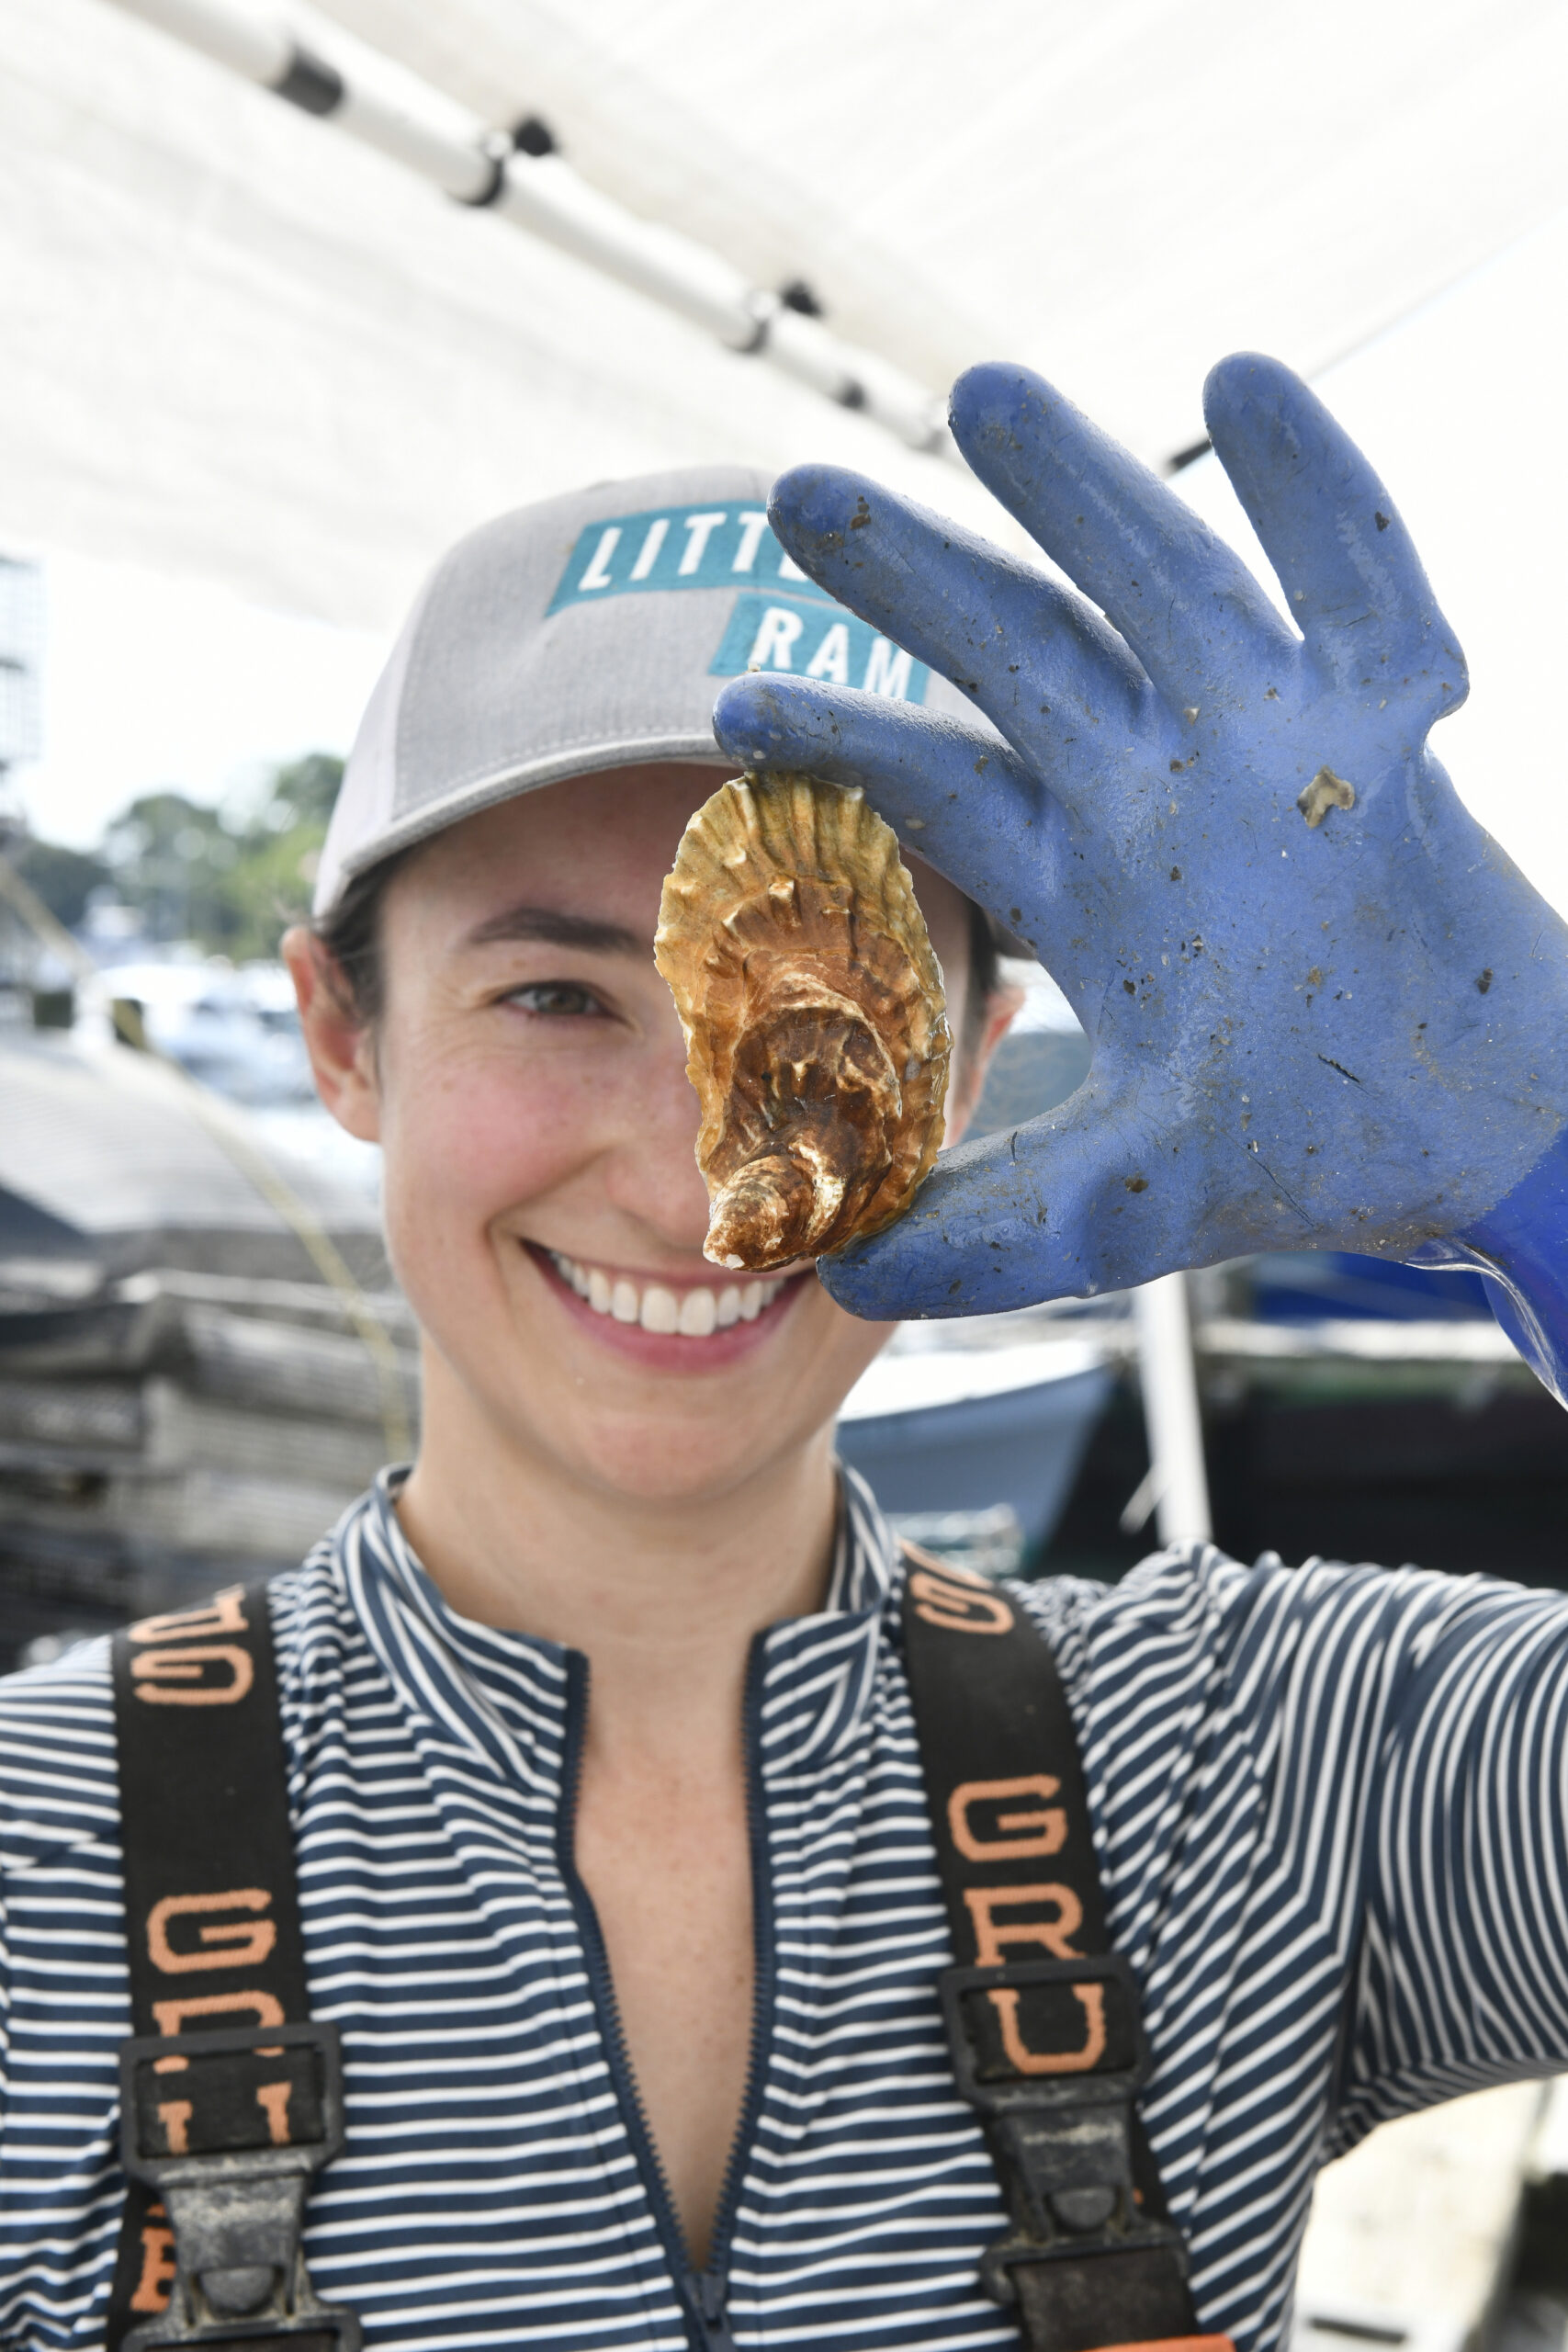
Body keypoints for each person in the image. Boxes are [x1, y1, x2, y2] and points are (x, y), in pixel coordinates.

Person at [3, 378, 1568, 2352]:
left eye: (824, 1002)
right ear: (340, 1032)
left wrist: (1540, 1165)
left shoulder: (1281, 1775)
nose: (689, 1173)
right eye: (556, 993)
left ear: (976, 1069)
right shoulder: (30, 1868)